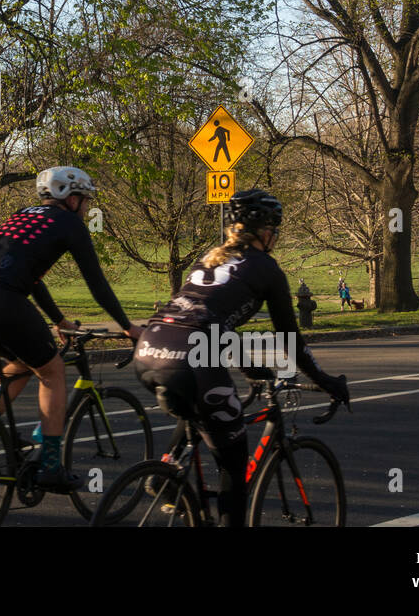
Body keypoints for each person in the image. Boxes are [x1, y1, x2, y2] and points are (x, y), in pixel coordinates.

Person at [132, 188, 349, 527]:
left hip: (149, 349)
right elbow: (290, 340)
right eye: (274, 230)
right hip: (192, 355)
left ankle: (167, 473)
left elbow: (207, 319)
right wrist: (325, 380)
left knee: (196, 407)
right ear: (266, 231)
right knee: (233, 464)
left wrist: (250, 368)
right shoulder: (267, 269)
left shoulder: (209, 258)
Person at [0, 166, 143, 493]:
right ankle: (52, 466)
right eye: (84, 200)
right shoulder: (69, 224)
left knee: (23, 364)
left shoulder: (22, 216)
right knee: (53, 370)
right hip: (1, 300)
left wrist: (58, 321)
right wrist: (127, 327)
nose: (86, 208)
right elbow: (97, 284)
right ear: (70, 198)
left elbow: (32, 278)